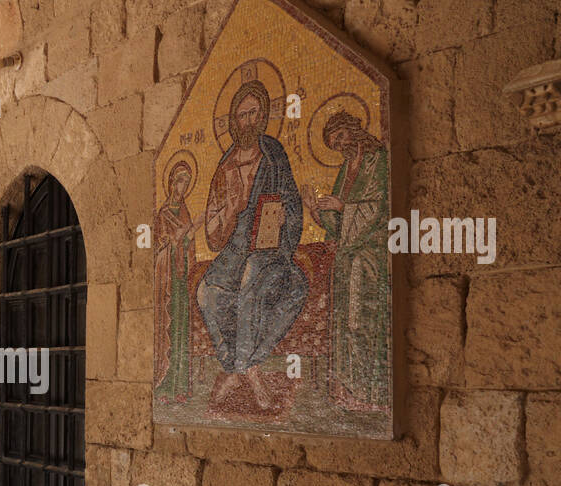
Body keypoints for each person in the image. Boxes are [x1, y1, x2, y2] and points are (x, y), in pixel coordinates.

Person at [196, 79, 307, 410]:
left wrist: (286, 221)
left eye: (254, 113)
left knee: (258, 282)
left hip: (267, 247)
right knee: (206, 292)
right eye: (242, 115)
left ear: (263, 116)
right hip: (234, 248)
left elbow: (291, 202)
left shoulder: (273, 155)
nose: (248, 120)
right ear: (234, 121)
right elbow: (213, 234)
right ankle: (244, 367)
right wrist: (230, 209)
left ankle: (242, 372)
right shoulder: (226, 165)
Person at [301, 110, 389, 411]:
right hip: (347, 259)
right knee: (346, 323)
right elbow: (338, 226)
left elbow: (378, 207)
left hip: (370, 256)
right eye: (333, 143)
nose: (339, 145)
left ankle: (369, 394)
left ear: (353, 128)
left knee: (361, 320)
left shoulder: (378, 159)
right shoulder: (346, 167)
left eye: (340, 137)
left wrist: (343, 205)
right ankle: (351, 391)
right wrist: (316, 210)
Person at [154, 159, 199, 402]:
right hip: (167, 277)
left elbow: (189, 244)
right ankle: (165, 385)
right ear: (172, 182)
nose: (183, 186)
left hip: (181, 279)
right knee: (169, 328)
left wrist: (189, 235)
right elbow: (160, 244)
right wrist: (175, 239)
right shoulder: (162, 213)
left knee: (182, 330)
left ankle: (181, 387)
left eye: (188, 183)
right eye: (181, 180)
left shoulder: (184, 212)